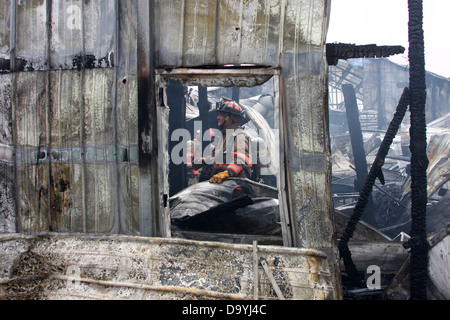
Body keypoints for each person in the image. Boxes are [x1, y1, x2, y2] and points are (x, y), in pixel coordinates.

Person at [208, 99, 252, 184]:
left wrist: (227, 173)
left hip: (236, 188)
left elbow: (241, 160)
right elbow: (218, 159)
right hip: (223, 185)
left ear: (229, 117)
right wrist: (203, 161)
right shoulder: (223, 136)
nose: (217, 118)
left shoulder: (239, 135)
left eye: (221, 115)